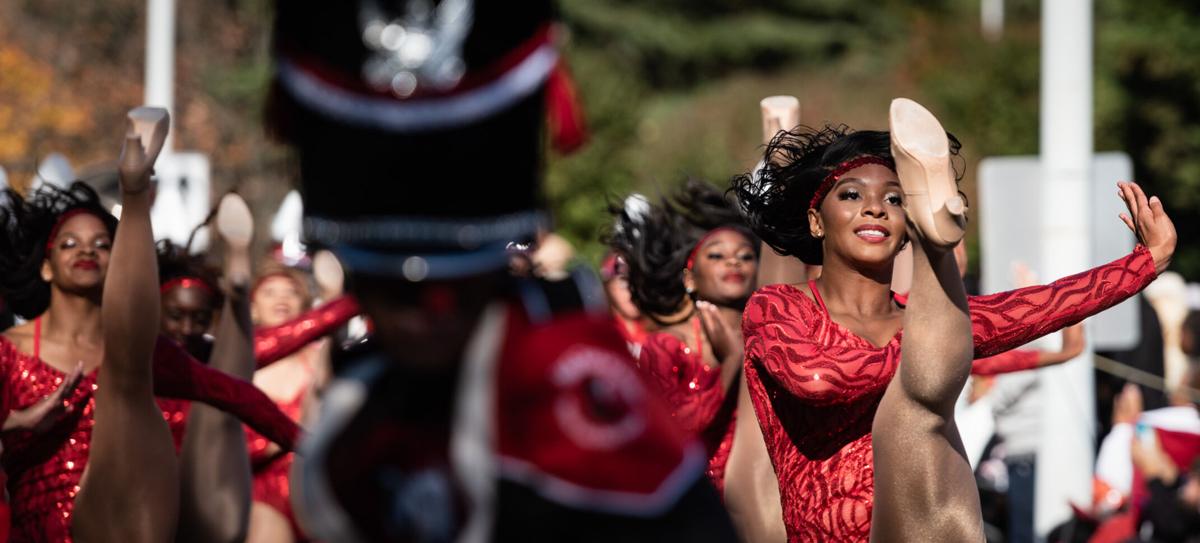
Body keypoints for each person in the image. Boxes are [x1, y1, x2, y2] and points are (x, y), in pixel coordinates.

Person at [267, 1, 737, 541]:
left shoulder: (573, 385)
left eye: (456, 293)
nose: (427, 316)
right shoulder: (353, 415)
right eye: (395, 294)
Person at [729, 112, 1176, 540]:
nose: (874, 209)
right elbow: (820, 380)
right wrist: (932, 348)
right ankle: (936, 251)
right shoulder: (779, 306)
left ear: (907, 227)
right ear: (815, 221)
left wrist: (1144, 264)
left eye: (895, 199)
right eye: (850, 195)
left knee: (928, 422)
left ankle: (935, 243)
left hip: (933, 521)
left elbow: (1034, 306)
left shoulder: (930, 323)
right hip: (817, 531)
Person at [0, 162, 300, 540]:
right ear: (46, 268)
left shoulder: (147, 354)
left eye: (102, 245)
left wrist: (307, 445)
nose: (86, 251)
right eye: (70, 243)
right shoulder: (9, 350)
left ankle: (136, 193)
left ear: (117, 267)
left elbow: (234, 394)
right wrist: (18, 423)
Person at [607, 180, 757, 495]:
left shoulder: (772, 333)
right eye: (716, 256)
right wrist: (731, 362)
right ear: (689, 278)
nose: (733, 262)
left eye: (745, 256)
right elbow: (673, 430)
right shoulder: (665, 345)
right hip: (703, 501)